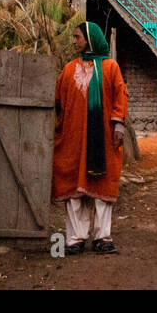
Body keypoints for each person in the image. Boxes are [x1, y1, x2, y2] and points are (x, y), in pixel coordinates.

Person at [52, 22, 129, 254]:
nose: (74, 41)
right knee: (74, 190)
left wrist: (118, 126)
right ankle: (75, 239)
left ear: (91, 39)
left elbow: (120, 97)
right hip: (73, 140)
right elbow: (58, 102)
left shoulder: (110, 67)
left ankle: (102, 237)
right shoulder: (68, 69)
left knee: (101, 189)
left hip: (103, 140)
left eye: (77, 37)